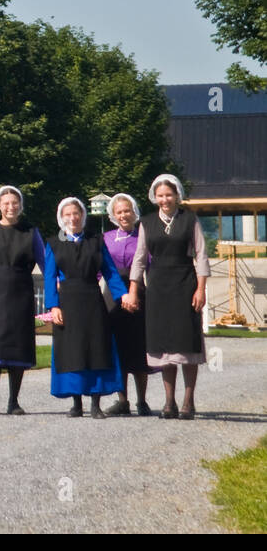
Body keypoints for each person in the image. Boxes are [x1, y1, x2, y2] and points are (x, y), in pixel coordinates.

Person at [125, 174, 210, 419]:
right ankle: (169, 401)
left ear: (177, 195)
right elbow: (139, 259)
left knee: (186, 343)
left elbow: (201, 256)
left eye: (169, 195)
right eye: (160, 195)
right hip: (158, 288)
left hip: (185, 283)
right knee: (164, 347)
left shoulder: (189, 219)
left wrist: (201, 289)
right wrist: (133, 289)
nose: (165, 199)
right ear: (155, 197)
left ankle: (188, 401)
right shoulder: (147, 222)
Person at [44, 197, 128, 418]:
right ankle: (76, 403)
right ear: (62, 218)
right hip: (67, 303)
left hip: (92, 299)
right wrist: (53, 306)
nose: (73, 218)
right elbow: (50, 278)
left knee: (96, 348)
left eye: (76, 213)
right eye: (68, 214)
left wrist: (123, 296)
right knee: (72, 351)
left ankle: (95, 404)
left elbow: (110, 271)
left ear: (83, 215)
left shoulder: (96, 240)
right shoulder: (54, 243)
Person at [0, 185, 46, 415]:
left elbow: (45, 263)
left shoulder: (31, 232)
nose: (11, 206)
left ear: (20, 205)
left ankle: (14, 401)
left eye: (15, 202)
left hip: (21, 293)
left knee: (19, 345)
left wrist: (59, 286)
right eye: (6, 203)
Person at [103, 193, 151, 416]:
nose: (123, 215)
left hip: (139, 294)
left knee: (138, 348)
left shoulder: (144, 235)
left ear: (134, 212)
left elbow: (151, 266)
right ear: (113, 215)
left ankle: (142, 401)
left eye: (127, 210)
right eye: (119, 211)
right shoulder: (106, 238)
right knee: (119, 348)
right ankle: (123, 400)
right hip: (113, 297)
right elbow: (97, 267)